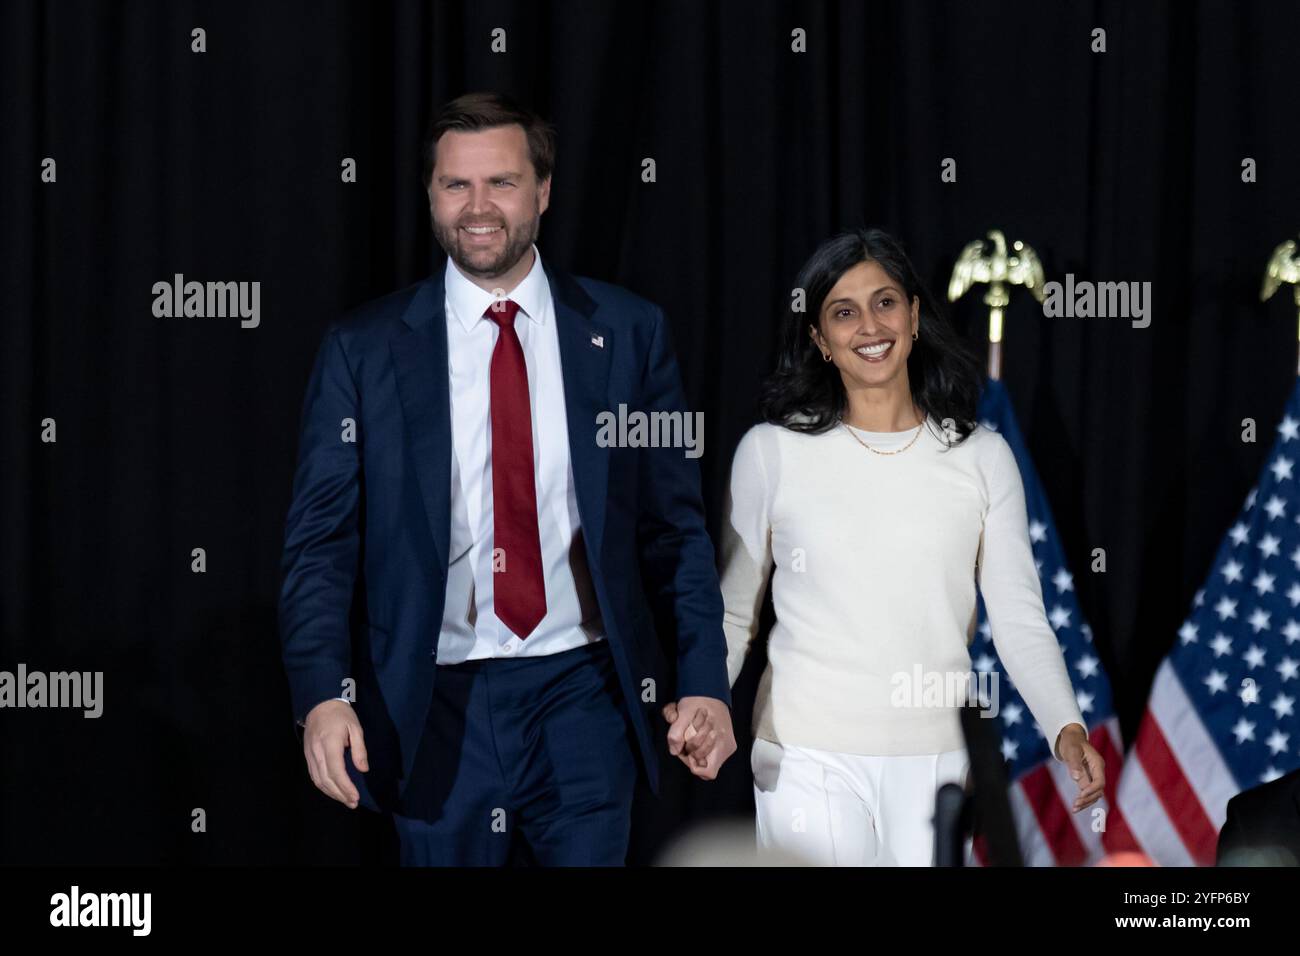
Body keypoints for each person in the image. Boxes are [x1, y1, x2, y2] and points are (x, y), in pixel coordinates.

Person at [278, 92, 736, 865]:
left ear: (544, 191)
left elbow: (673, 529)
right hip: (431, 706)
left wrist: (705, 681)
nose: (478, 207)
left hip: (584, 697)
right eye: (456, 185)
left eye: (503, 182)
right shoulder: (363, 350)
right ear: (430, 194)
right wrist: (322, 693)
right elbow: (320, 545)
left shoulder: (628, 333)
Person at [718, 228, 1105, 866]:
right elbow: (734, 612)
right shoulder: (770, 451)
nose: (869, 325)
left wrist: (1066, 727)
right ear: (819, 338)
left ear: (915, 314)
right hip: (803, 753)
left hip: (939, 760)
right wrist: (707, 703)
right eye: (844, 312)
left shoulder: (981, 456)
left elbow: (1018, 619)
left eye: (885, 302)